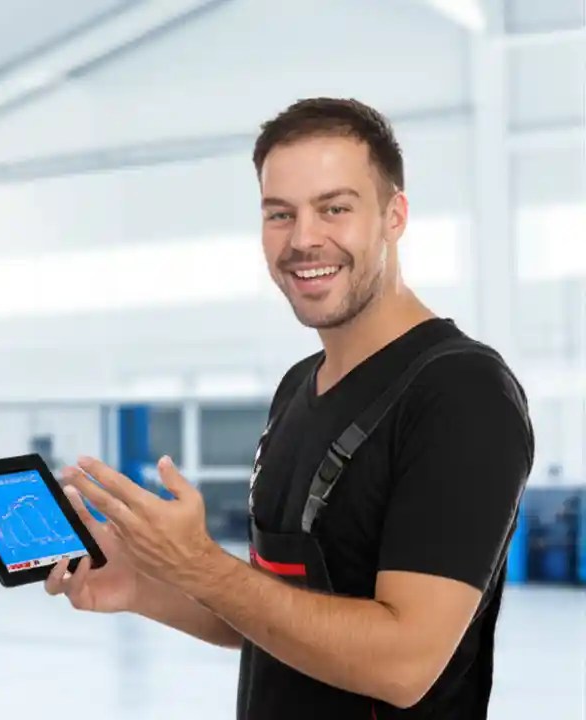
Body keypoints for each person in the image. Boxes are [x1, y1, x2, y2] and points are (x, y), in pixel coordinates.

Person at [46, 98, 534, 719]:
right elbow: (267, 614)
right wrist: (143, 585)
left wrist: (200, 564)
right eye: (281, 214)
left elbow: (406, 664)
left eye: (335, 208)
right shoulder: (298, 388)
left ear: (394, 216)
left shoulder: (461, 393)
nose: (304, 239)